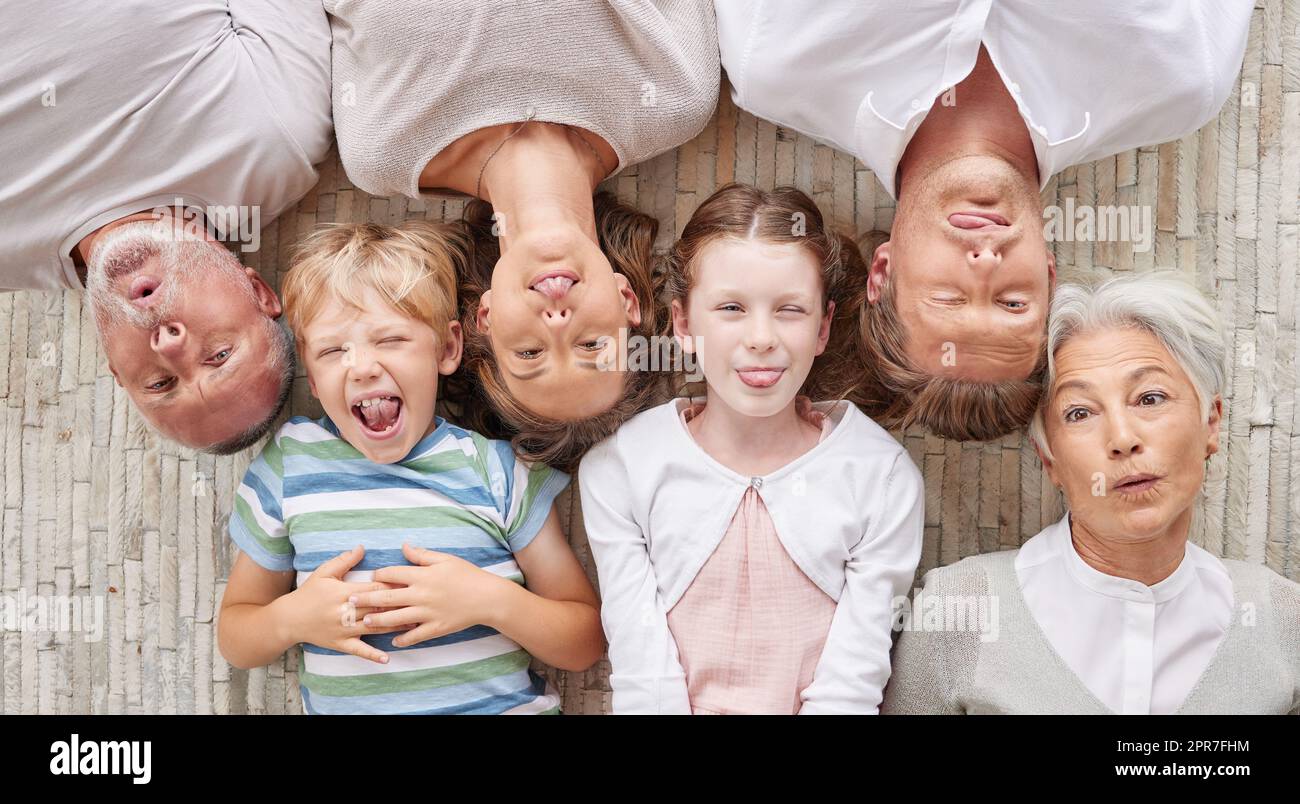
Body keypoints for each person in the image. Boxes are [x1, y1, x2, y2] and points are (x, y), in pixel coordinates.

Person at [714, 0, 1253, 440]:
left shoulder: (775, 63)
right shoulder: (1179, 80)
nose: (985, 262)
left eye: (949, 298)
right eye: (1012, 301)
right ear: (1048, 275)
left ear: (883, 272)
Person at [216, 221, 604, 714]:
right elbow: (235, 637)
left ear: (446, 349)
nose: (361, 367)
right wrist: (291, 619)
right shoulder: (291, 465)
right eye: (334, 351)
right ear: (312, 378)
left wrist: (490, 601)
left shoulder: (496, 471)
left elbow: (584, 642)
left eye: (391, 339)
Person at [882, 272, 1300, 714]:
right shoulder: (959, 609)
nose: (1122, 437)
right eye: (1079, 412)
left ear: (1210, 423)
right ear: (1049, 459)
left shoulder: (1282, 617)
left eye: (1150, 398)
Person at [325, 0, 719, 467]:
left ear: (484, 319)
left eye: (529, 353)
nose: (558, 323)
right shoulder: (674, 96)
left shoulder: (381, 146)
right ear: (626, 300)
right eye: (592, 346)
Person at [580, 185, 923, 713]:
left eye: (789, 309)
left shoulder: (881, 476)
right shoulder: (622, 469)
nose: (761, 337)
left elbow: (851, 681)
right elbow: (643, 671)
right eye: (732, 308)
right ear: (685, 324)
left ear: (823, 327)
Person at [0, 1, 335, 452]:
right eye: (219, 355)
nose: (169, 344)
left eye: (160, 383)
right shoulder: (276, 142)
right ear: (259, 293)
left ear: (114, 368)